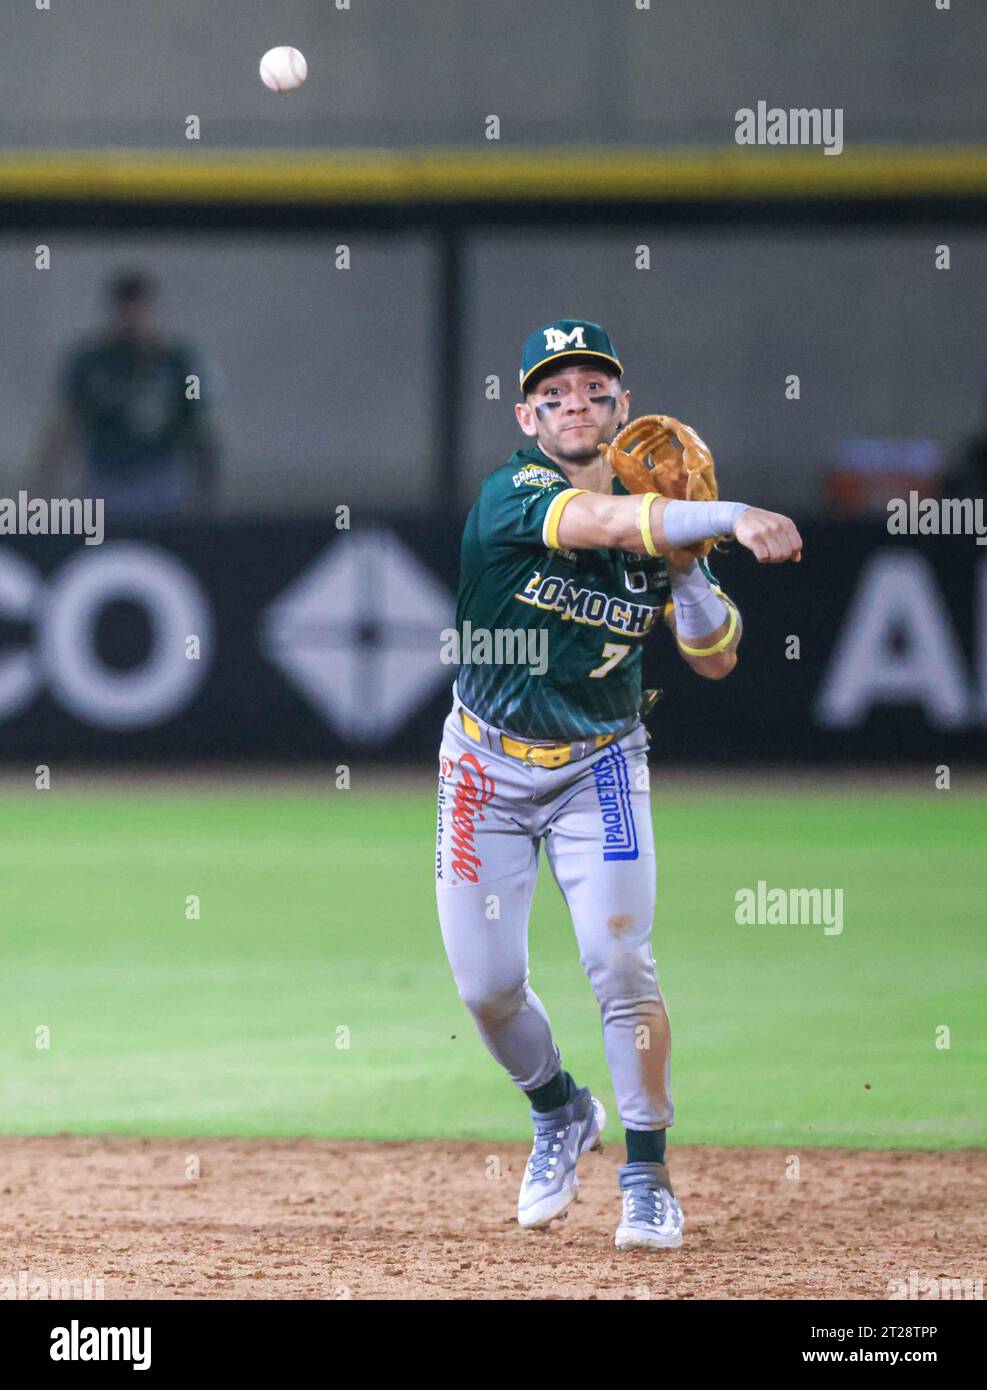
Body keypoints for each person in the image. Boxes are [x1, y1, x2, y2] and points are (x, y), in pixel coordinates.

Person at [434, 319, 802, 1250]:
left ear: (621, 407)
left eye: (594, 389)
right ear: (527, 412)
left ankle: (647, 1176)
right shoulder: (514, 492)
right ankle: (558, 1109)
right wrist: (723, 517)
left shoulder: (660, 524)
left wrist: (686, 570)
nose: (575, 405)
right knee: (487, 990)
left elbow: (714, 659)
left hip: (600, 766)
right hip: (482, 767)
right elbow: (594, 522)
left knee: (621, 964)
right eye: (554, 392)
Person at [34, 270, 218, 521]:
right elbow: (64, 422)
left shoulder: (180, 364)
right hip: (106, 479)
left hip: (159, 479)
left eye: (141, 309)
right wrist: (42, 486)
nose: (134, 319)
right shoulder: (91, 362)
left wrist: (205, 489)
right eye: (127, 310)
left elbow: (199, 424)